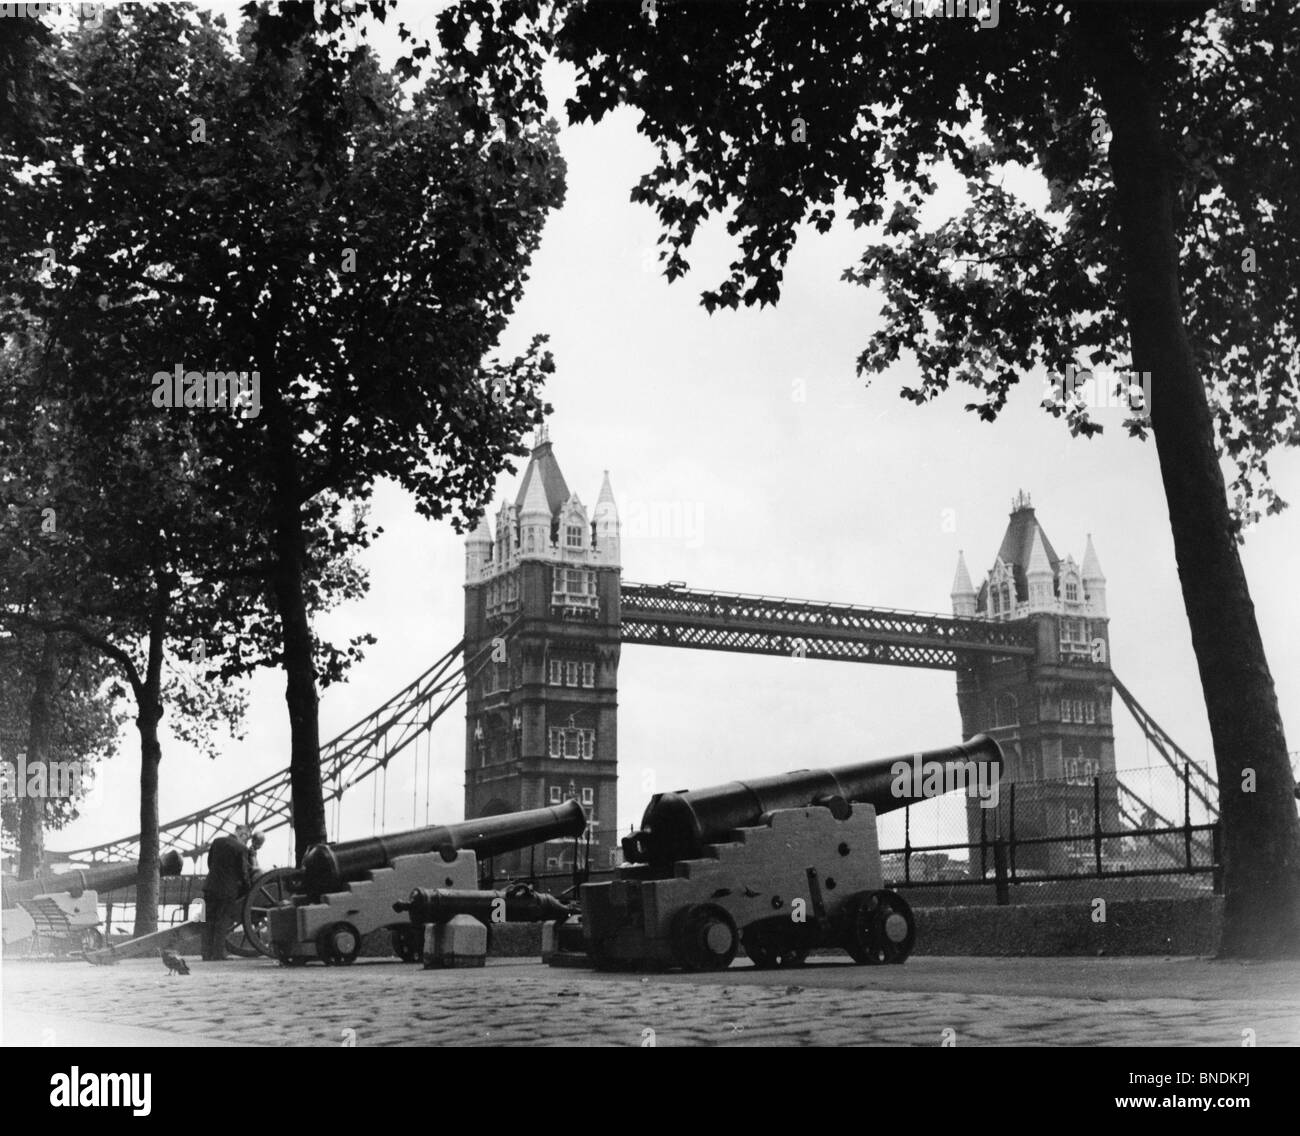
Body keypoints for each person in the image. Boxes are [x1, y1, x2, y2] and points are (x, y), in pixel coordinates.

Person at [202, 826, 252, 961]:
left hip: (210, 886)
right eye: (246, 838)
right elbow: (243, 872)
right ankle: (218, 954)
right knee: (222, 921)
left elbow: (210, 862)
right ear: (243, 834)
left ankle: (206, 954)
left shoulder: (217, 841)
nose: (246, 842)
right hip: (228, 889)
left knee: (208, 920)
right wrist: (249, 888)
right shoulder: (241, 849)